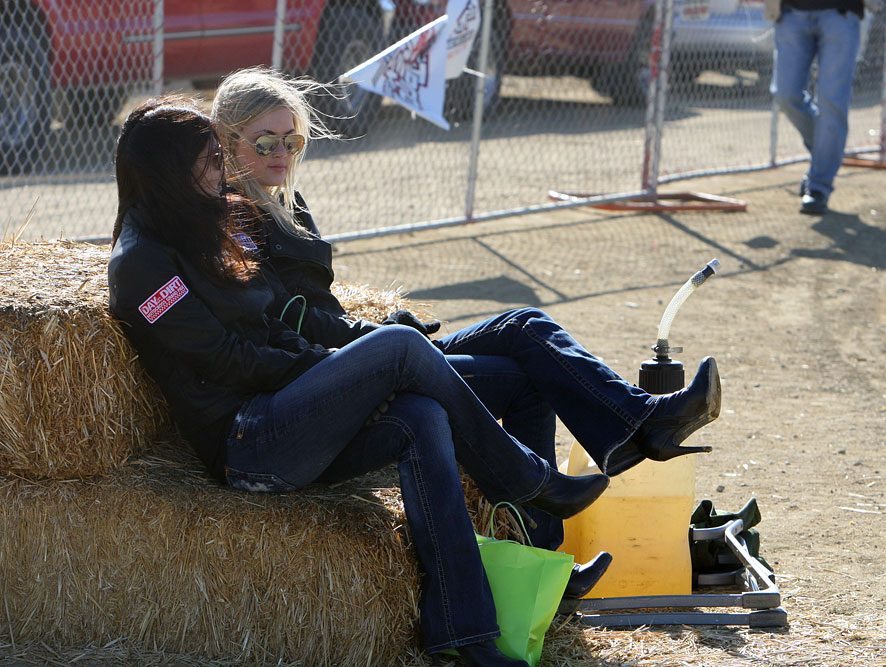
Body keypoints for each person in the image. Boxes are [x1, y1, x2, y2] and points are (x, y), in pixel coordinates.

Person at [108, 97, 614, 667]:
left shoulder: (216, 223)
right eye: (207, 160)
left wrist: (333, 362)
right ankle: (523, 479)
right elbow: (225, 361)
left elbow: (276, 317)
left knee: (421, 414)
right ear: (169, 171)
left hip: (287, 410)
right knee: (399, 348)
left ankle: (463, 635)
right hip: (249, 443)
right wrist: (330, 372)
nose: (221, 168)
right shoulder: (142, 265)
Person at [210, 67, 724, 599]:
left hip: (357, 351)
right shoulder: (233, 216)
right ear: (226, 140)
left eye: (292, 140)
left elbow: (313, 305)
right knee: (524, 377)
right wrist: (371, 333)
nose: (282, 152)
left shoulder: (284, 199)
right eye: (265, 141)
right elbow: (288, 313)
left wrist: (375, 331)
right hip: (327, 380)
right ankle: (550, 545)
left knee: (524, 323)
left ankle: (638, 422)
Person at [769, 0, 863, 215]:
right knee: (785, 95)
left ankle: (819, 186)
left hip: (840, 13)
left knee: (831, 103)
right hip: (792, 13)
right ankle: (825, 152)